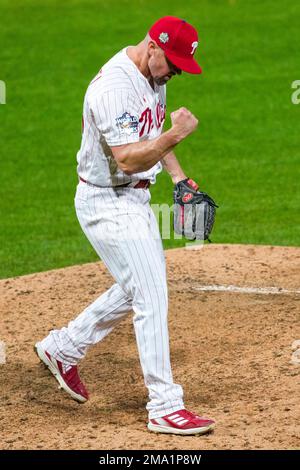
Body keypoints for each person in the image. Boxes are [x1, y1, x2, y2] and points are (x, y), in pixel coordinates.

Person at [35, 16, 215, 436]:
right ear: (152, 45)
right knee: (151, 293)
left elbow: (152, 134)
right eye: (170, 62)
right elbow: (130, 158)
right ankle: (164, 405)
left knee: (140, 285)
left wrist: (178, 176)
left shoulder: (152, 74)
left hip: (132, 197)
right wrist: (178, 135)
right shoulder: (115, 88)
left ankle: (63, 348)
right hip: (107, 203)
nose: (173, 72)